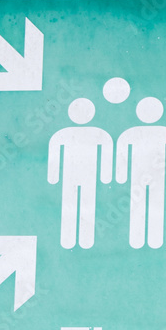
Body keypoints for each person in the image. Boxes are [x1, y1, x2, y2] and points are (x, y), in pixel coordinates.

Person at [115, 97, 166, 249]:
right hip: (141, 176)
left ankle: (151, 239)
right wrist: (121, 175)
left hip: (154, 177)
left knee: (153, 204)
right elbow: (121, 155)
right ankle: (140, 239)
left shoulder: (165, 133)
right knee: (141, 205)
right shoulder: (131, 134)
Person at [47, 98, 113, 249]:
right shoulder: (63, 134)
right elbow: (55, 154)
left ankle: (83, 239)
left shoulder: (98, 134)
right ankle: (71, 239)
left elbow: (106, 154)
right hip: (72, 176)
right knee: (73, 205)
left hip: (87, 176)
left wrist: (106, 175)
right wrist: (53, 176)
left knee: (84, 204)